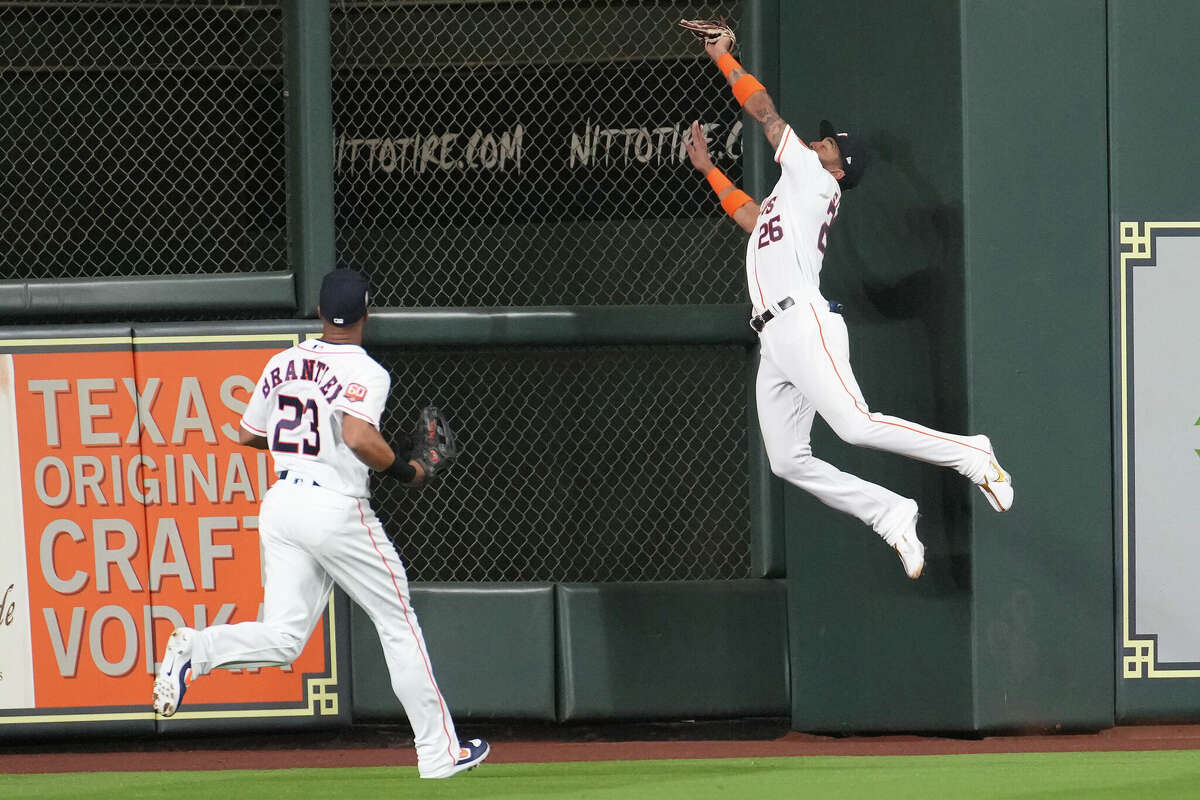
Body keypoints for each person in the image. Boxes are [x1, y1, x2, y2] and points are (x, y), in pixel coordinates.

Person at [683, 28, 1013, 579]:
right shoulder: (794, 192)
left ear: (839, 167)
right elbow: (751, 219)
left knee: (856, 426)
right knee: (788, 460)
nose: (821, 142)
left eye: (831, 143)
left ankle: (972, 453)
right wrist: (711, 172)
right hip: (776, 341)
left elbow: (764, 112)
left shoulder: (813, 177)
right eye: (823, 139)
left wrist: (724, 59)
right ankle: (890, 512)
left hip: (803, 321)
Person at [151, 268, 488, 779]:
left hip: (282, 503)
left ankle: (197, 649)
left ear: (317, 314)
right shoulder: (368, 370)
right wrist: (408, 468)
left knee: (284, 637)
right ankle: (440, 753)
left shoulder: (283, 361)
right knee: (398, 625)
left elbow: (248, 435)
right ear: (366, 315)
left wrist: (301, 443)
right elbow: (356, 436)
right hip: (334, 508)